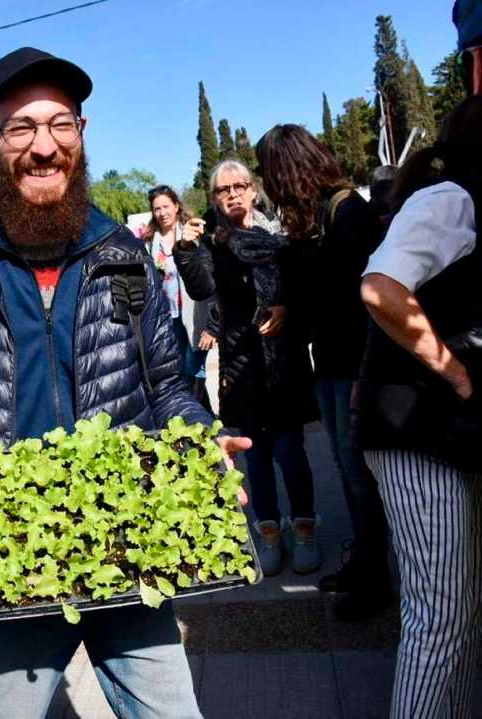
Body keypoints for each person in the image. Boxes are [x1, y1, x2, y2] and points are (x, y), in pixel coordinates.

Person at [0, 47, 250, 718]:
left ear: (81, 135)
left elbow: (170, 386)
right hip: (7, 547)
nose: (43, 146)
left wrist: (202, 442)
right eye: (20, 127)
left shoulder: (121, 256)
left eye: (60, 124)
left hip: (125, 539)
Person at [357, 95, 482, 719]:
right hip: (413, 431)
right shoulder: (451, 198)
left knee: (459, 615)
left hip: (443, 432)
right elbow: (380, 288)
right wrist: (455, 369)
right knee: (440, 617)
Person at [255, 125, 393, 620]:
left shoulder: (347, 213)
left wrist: (363, 374)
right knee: (348, 470)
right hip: (333, 363)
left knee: (359, 474)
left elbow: (365, 302)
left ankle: (377, 582)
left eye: (269, 173)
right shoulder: (323, 216)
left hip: (353, 365)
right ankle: (366, 567)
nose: (267, 185)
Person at [175, 159, 320, 577]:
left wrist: (286, 308)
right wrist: (186, 251)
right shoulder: (214, 243)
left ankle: (305, 528)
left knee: (291, 451)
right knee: (255, 455)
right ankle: (269, 533)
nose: (233, 194)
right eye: (224, 190)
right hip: (241, 361)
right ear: (215, 199)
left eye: (240, 186)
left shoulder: (281, 237)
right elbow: (202, 289)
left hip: (283, 358)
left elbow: (301, 287)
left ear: (254, 190)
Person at [144, 185, 217, 413]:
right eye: (157, 208)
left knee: (193, 371)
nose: (162, 212)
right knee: (180, 374)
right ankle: (206, 424)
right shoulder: (149, 242)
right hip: (166, 319)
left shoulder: (192, 235)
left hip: (194, 318)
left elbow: (210, 282)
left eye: (166, 206)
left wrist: (212, 326)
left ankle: (198, 423)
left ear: (176, 206)